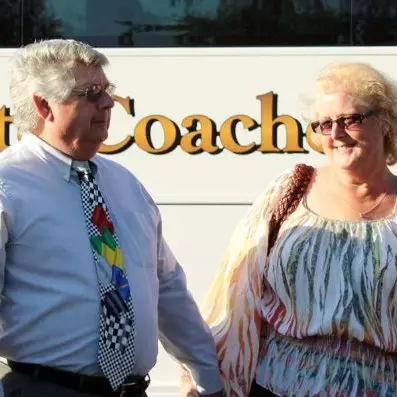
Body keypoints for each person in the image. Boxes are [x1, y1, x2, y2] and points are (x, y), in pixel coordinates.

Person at [0, 38, 224, 397]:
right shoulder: (7, 185)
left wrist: (207, 378)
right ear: (44, 105)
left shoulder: (124, 184)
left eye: (108, 90)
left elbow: (166, 286)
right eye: (89, 93)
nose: (108, 103)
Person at [200, 62, 397, 396]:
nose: (336, 134)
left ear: (385, 122)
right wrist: (211, 379)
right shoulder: (291, 189)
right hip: (277, 387)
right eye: (325, 124)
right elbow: (236, 292)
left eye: (351, 119)